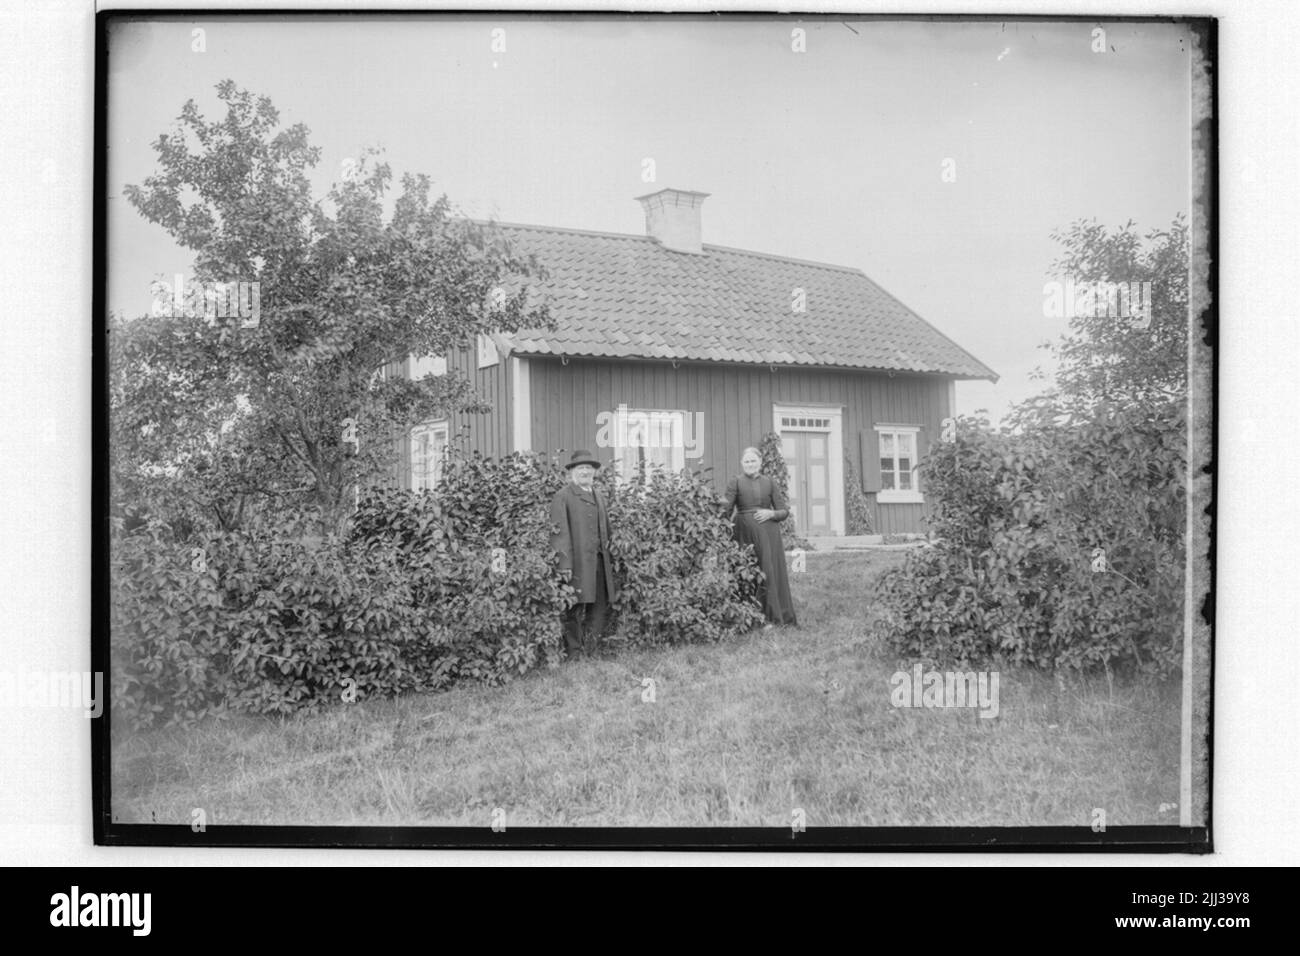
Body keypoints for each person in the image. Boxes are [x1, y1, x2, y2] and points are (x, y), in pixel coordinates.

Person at [549, 450, 620, 659]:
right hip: (576, 563)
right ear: (572, 471)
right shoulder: (563, 496)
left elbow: (606, 529)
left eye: (588, 468)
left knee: (598, 607)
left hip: (599, 562)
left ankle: (592, 650)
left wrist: (612, 556)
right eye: (581, 468)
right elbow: (559, 533)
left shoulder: (598, 495)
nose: (585, 472)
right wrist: (564, 566)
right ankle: (574, 653)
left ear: (594, 472)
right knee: (574, 607)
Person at [719, 447, 799, 628]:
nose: (750, 464)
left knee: (768, 570)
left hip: (769, 535)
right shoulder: (736, 482)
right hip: (744, 533)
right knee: (747, 571)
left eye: (753, 461)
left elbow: (784, 511)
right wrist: (722, 531)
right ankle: (747, 616)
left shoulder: (769, 482)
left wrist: (771, 514)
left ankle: (772, 615)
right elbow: (726, 510)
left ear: (760, 462)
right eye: (747, 461)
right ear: (742, 463)